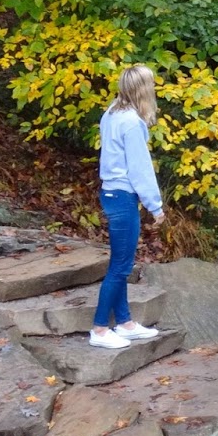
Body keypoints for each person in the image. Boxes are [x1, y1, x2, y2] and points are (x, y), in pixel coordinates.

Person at [91, 64, 165, 350]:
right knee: (120, 267)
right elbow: (140, 169)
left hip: (111, 194)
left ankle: (124, 322)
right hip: (122, 196)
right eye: (151, 85)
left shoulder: (112, 113)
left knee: (121, 264)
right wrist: (155, 206)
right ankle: (99, 328)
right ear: (143, 90)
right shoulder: (132, 123)